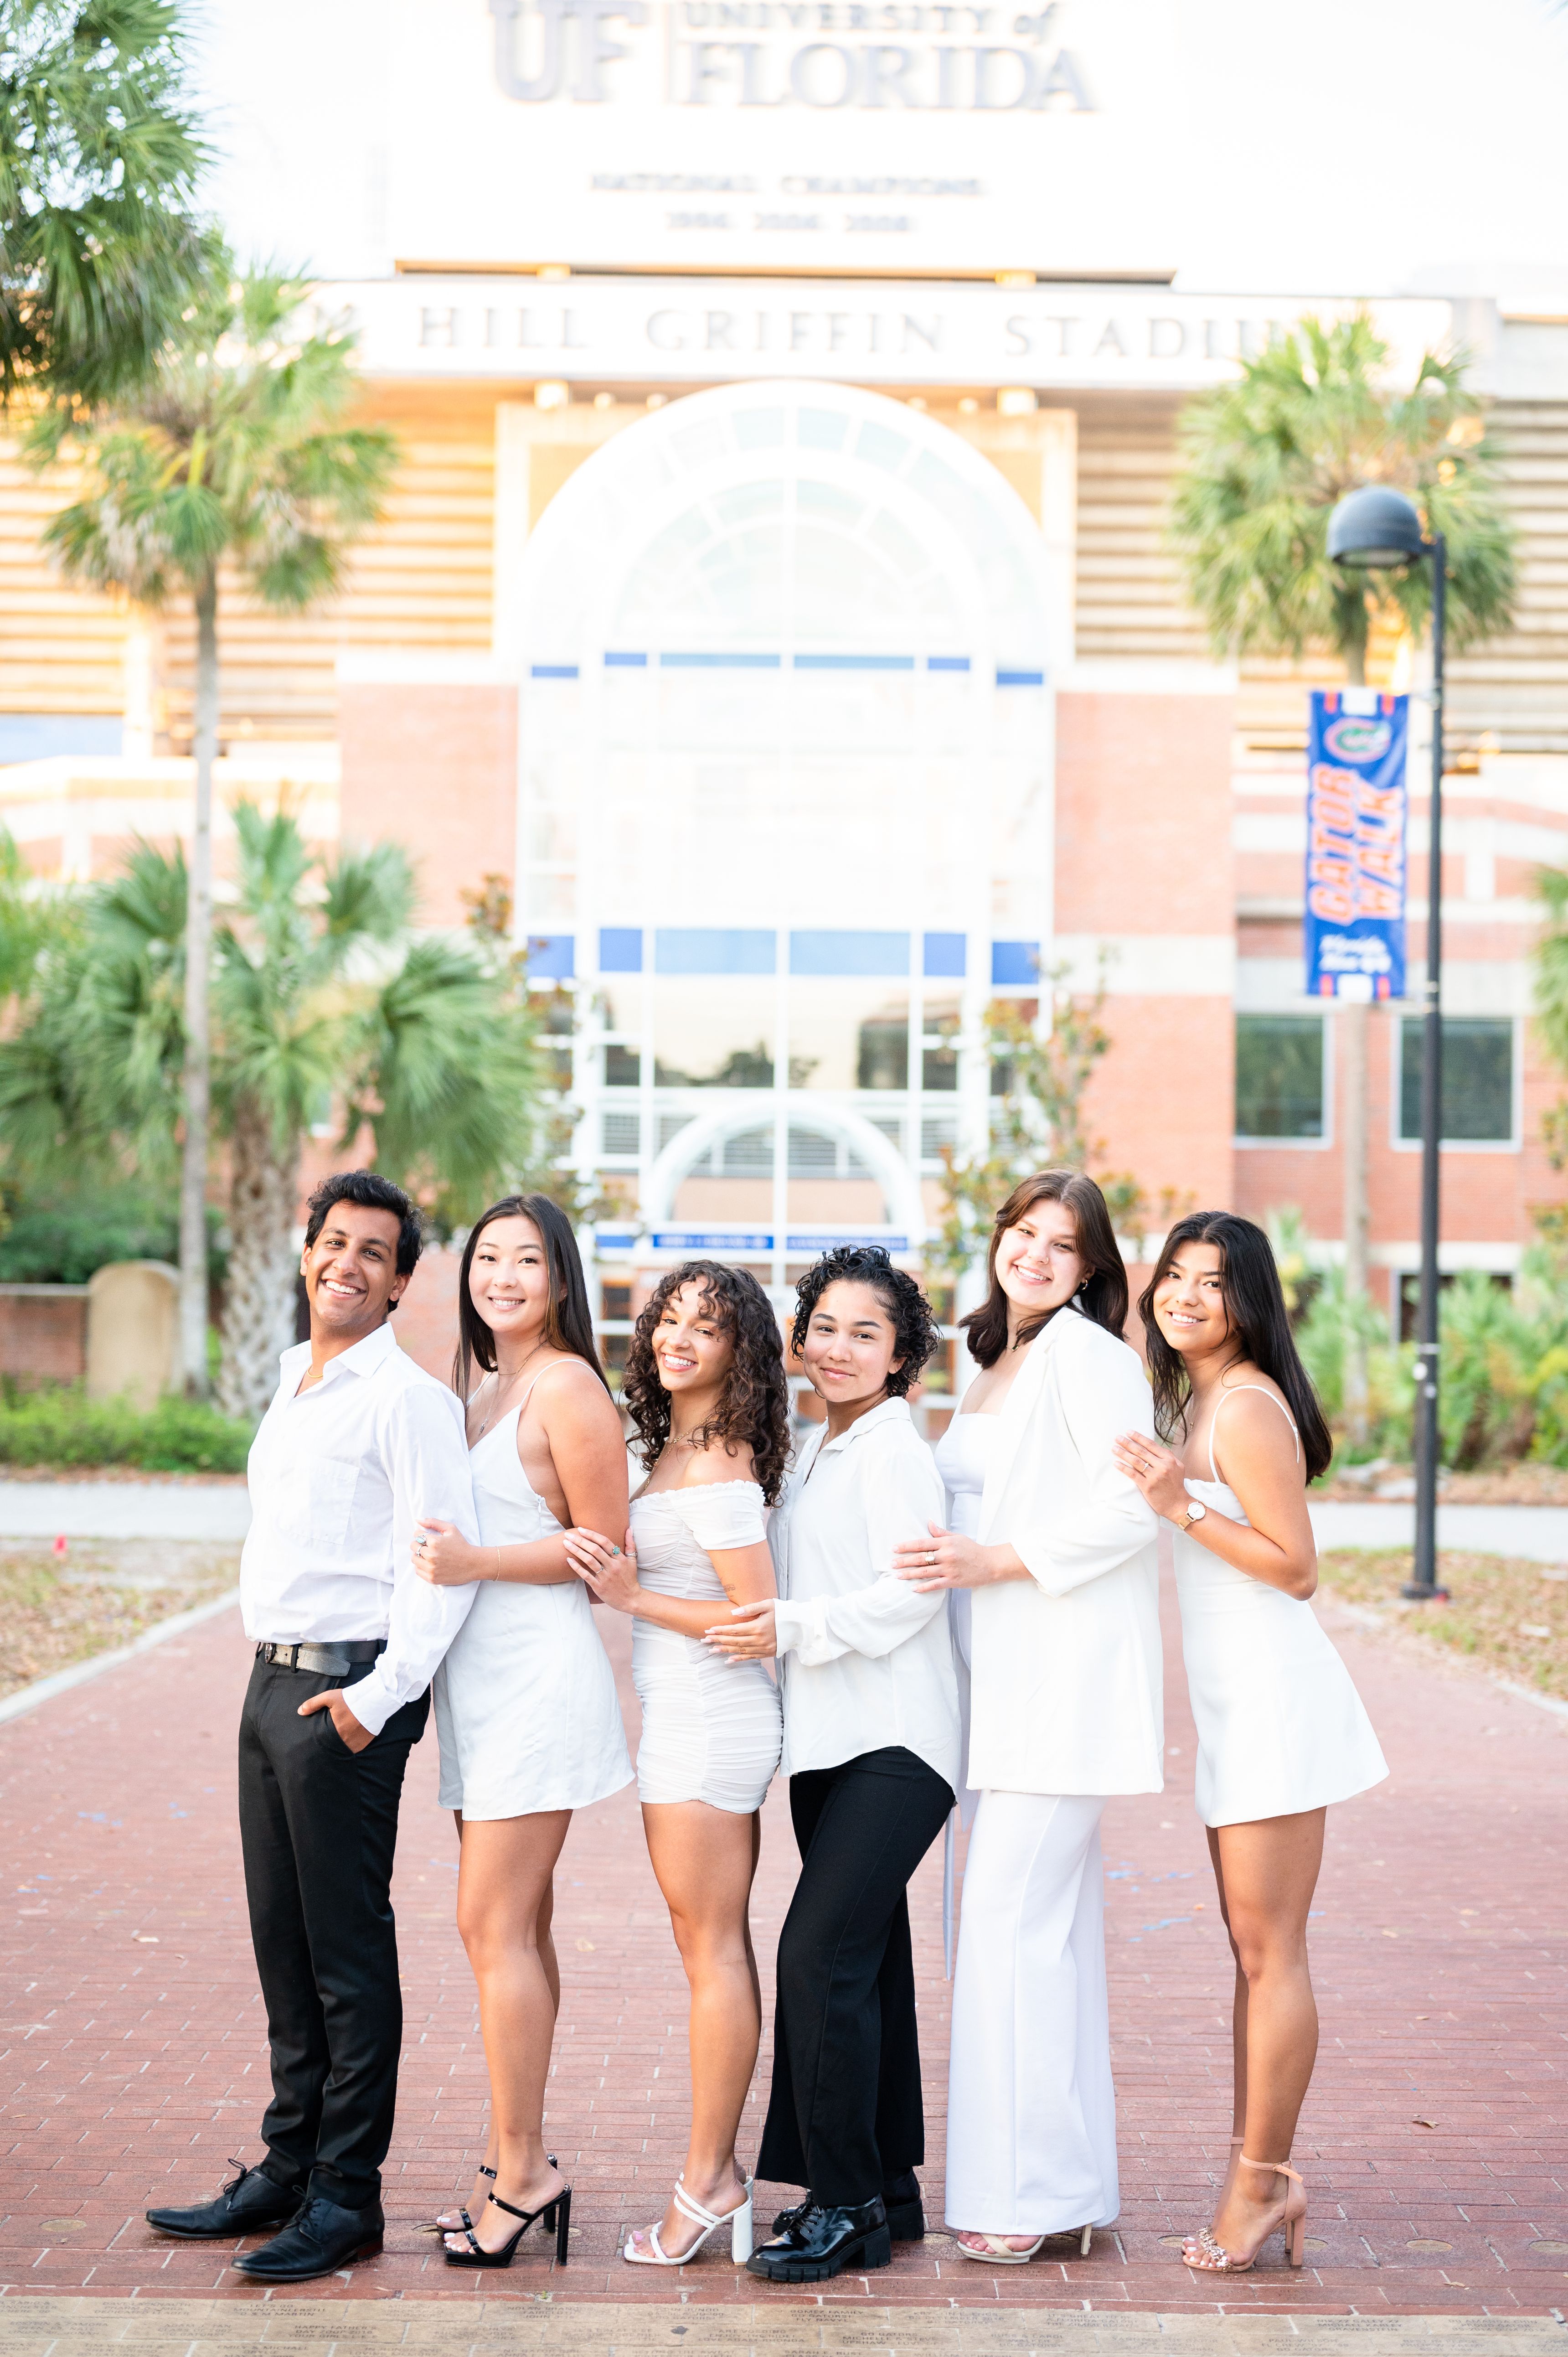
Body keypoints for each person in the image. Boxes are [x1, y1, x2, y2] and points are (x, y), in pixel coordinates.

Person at [145, 1172, 480, 2282]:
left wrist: (374, 1703)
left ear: (399, 1282)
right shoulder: (296, 1373)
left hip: (347, 1696)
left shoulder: (408, 1399)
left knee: (345, 1952)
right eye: (333, 1241)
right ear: (307, 1253)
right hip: (269, 1686)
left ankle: (348, 2192)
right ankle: (288, 2163)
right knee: (282, 1943)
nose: (347, 1261)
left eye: (374, 1251)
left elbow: (441, 1572)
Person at [894, 1169, 1162, 2265]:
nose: (1036, 1255)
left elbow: (1129, 1507)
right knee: (1028, 1933)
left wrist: (994, 1560)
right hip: (990, 1689)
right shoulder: (993, 1356)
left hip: (1059, 1686)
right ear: (999, 1240)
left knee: (1008, 1930)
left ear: (1092, 1267)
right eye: (1023, 1233)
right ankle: (1068, 2183)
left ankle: (1030, 2191)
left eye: (1063, 1244)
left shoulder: (1094, 1358)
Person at [1112, 1210, 1387, 2277]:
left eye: (1211, 1281)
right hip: (1237, 1704)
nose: (1183, 1294)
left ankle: (1264, 2179)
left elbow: (1295, 1565)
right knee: (1249, 1948)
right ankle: (1254, 2167)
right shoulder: (1202, 1398)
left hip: (1275, 1698)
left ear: (1250, 1299)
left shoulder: (1248, 1404)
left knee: (1271, 1951)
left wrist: (1176, 1505)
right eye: (1172, 1274)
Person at [708, 1246, 959, 2285]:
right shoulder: (820, 1442)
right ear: (800, 1338)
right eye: (826, 1327)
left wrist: (792, 1625)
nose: (841, 1347)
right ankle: (890, 2189)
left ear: (903, 1357)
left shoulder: (895, 1450)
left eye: (869, 1331)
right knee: (869, 1968)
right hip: (831, 1745)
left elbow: (916, 1594)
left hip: (896, 1744)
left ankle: (843, 2200)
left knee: (816, 1957)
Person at [409, 1194, 634, 2270]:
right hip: (480, 1684)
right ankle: (514, 2160)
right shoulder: (486, 1385)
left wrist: (476, 1564)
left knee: (488, 1924)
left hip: (538, 1681)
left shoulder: (569, 1384)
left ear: (560, 1278)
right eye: (486, 1257)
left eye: (525, 1259)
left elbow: (603, 1549)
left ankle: (525, 2169)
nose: (501, 1274)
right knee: (518, 1929)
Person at [564, 1261, 787, 2268]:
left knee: (713, 1951)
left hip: (709, 1720)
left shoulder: (721, 1465)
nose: (679, 1335)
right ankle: (712, 2175)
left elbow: (758, 1623)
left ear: (741, 1349)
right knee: (709, 1944)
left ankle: (707, 2181)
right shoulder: (676, 1446)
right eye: (669, 1317)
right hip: (686, 1719)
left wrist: (632, 1597)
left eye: (708, 1323)